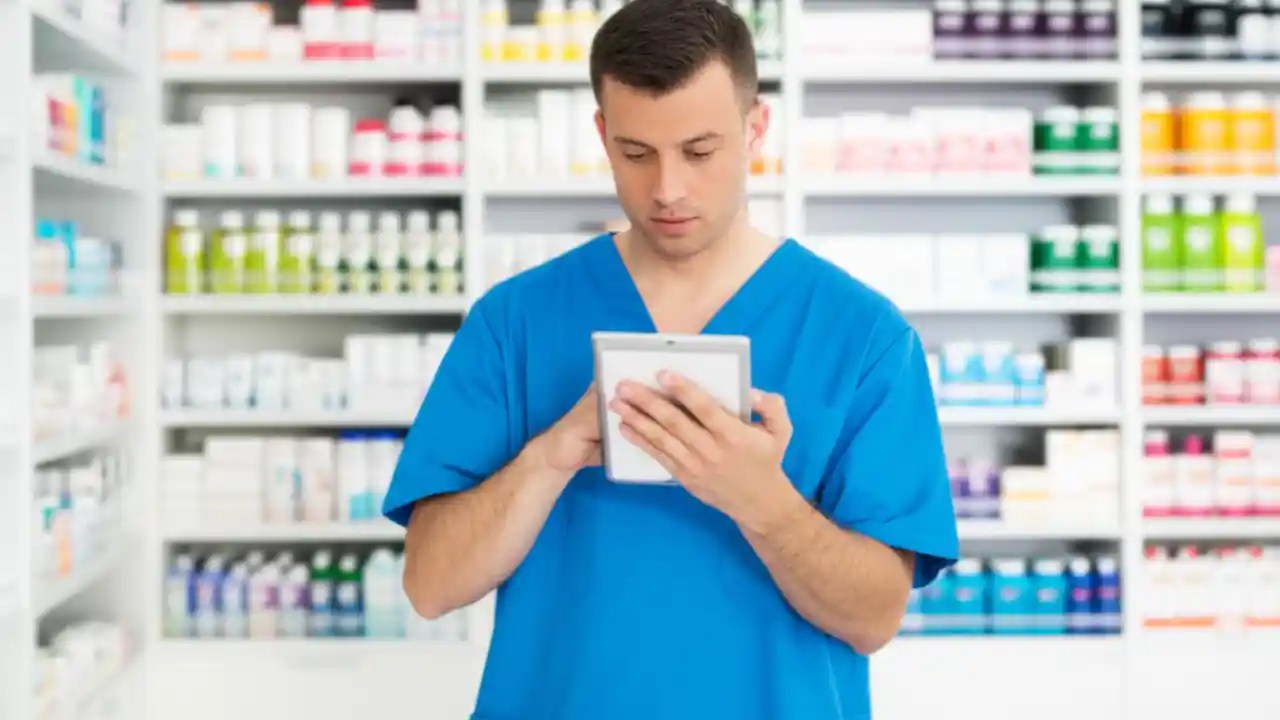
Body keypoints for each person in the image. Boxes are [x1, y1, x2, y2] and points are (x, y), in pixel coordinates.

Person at [382, 1, 959, 717]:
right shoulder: (516, 322)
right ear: (602, 133)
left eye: (699, 151)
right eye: (636, 153)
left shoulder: (863, 337)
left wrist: (763, 502)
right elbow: (430, 585)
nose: (667, 190)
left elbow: (874, 618)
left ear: (755, 129)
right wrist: (554, 453)